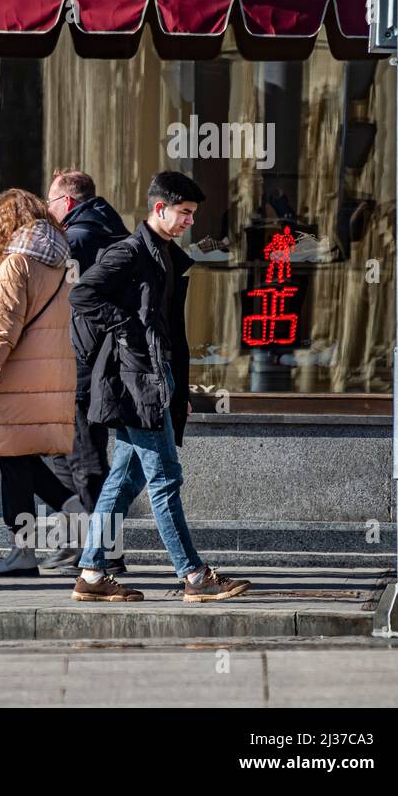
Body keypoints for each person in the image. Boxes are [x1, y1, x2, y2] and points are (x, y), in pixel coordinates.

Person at [68, 171, 251, 602]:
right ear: (159, 208)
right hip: (135, 381)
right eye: (184, 213)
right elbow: (82, 295)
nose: (190, 221)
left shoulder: (165, 255)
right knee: (165, 478)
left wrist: (179, 390)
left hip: (153, 379)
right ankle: (194, 576)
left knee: (123, 481)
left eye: (192, 214)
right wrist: (129, 328)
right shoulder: (130, 252)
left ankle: (92, 576)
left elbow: (171, 332)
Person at [0, 189, 82, 577]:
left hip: (15, 379)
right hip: (50, 378)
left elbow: (2, 333)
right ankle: (73, 509)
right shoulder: (59, 260)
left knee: (12, 462)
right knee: (24, 458)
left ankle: (23, 550)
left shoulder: (16, 263)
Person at [40, 169, 131, 573]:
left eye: (51, 203)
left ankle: (105, 553)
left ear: (69, 203)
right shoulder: (109, 230)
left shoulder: (77, 240)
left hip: (77, 364)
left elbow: (61, 303)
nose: (47, 210)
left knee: (84, 459)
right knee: (67, 455)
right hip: (89, 362)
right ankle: (79, 543)